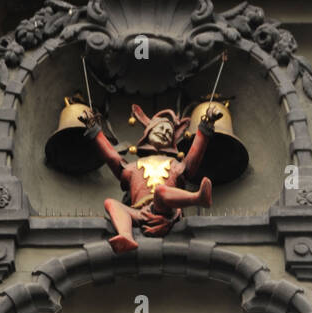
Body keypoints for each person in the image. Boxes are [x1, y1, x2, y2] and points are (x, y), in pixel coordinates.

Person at [80, 103, 221, 253]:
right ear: (148, 132)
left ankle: (198, 197)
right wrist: (93, 129)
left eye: (169, 132)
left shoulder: (174, 165)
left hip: (163, 208)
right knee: (110, 203)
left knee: (160, 191)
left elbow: (193, 157)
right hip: (139, 212)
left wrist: (206, 127)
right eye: (160, 128)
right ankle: (126, 236)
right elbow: (111, 156)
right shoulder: (133, 167)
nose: (165, 133)